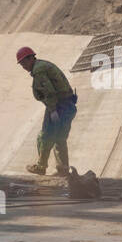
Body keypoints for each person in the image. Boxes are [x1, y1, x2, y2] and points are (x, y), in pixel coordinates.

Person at [17, 46, 77, 176]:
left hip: (58, 106)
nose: (23, 67)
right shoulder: (43, 65)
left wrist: (53, 110)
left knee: (44, 136)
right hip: (68, 106)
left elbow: (49, 92)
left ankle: (41, 167)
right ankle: (63, 170)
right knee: (60, 138)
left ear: (31, 58)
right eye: (21, 64)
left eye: (23, 63)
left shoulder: (39, 70)